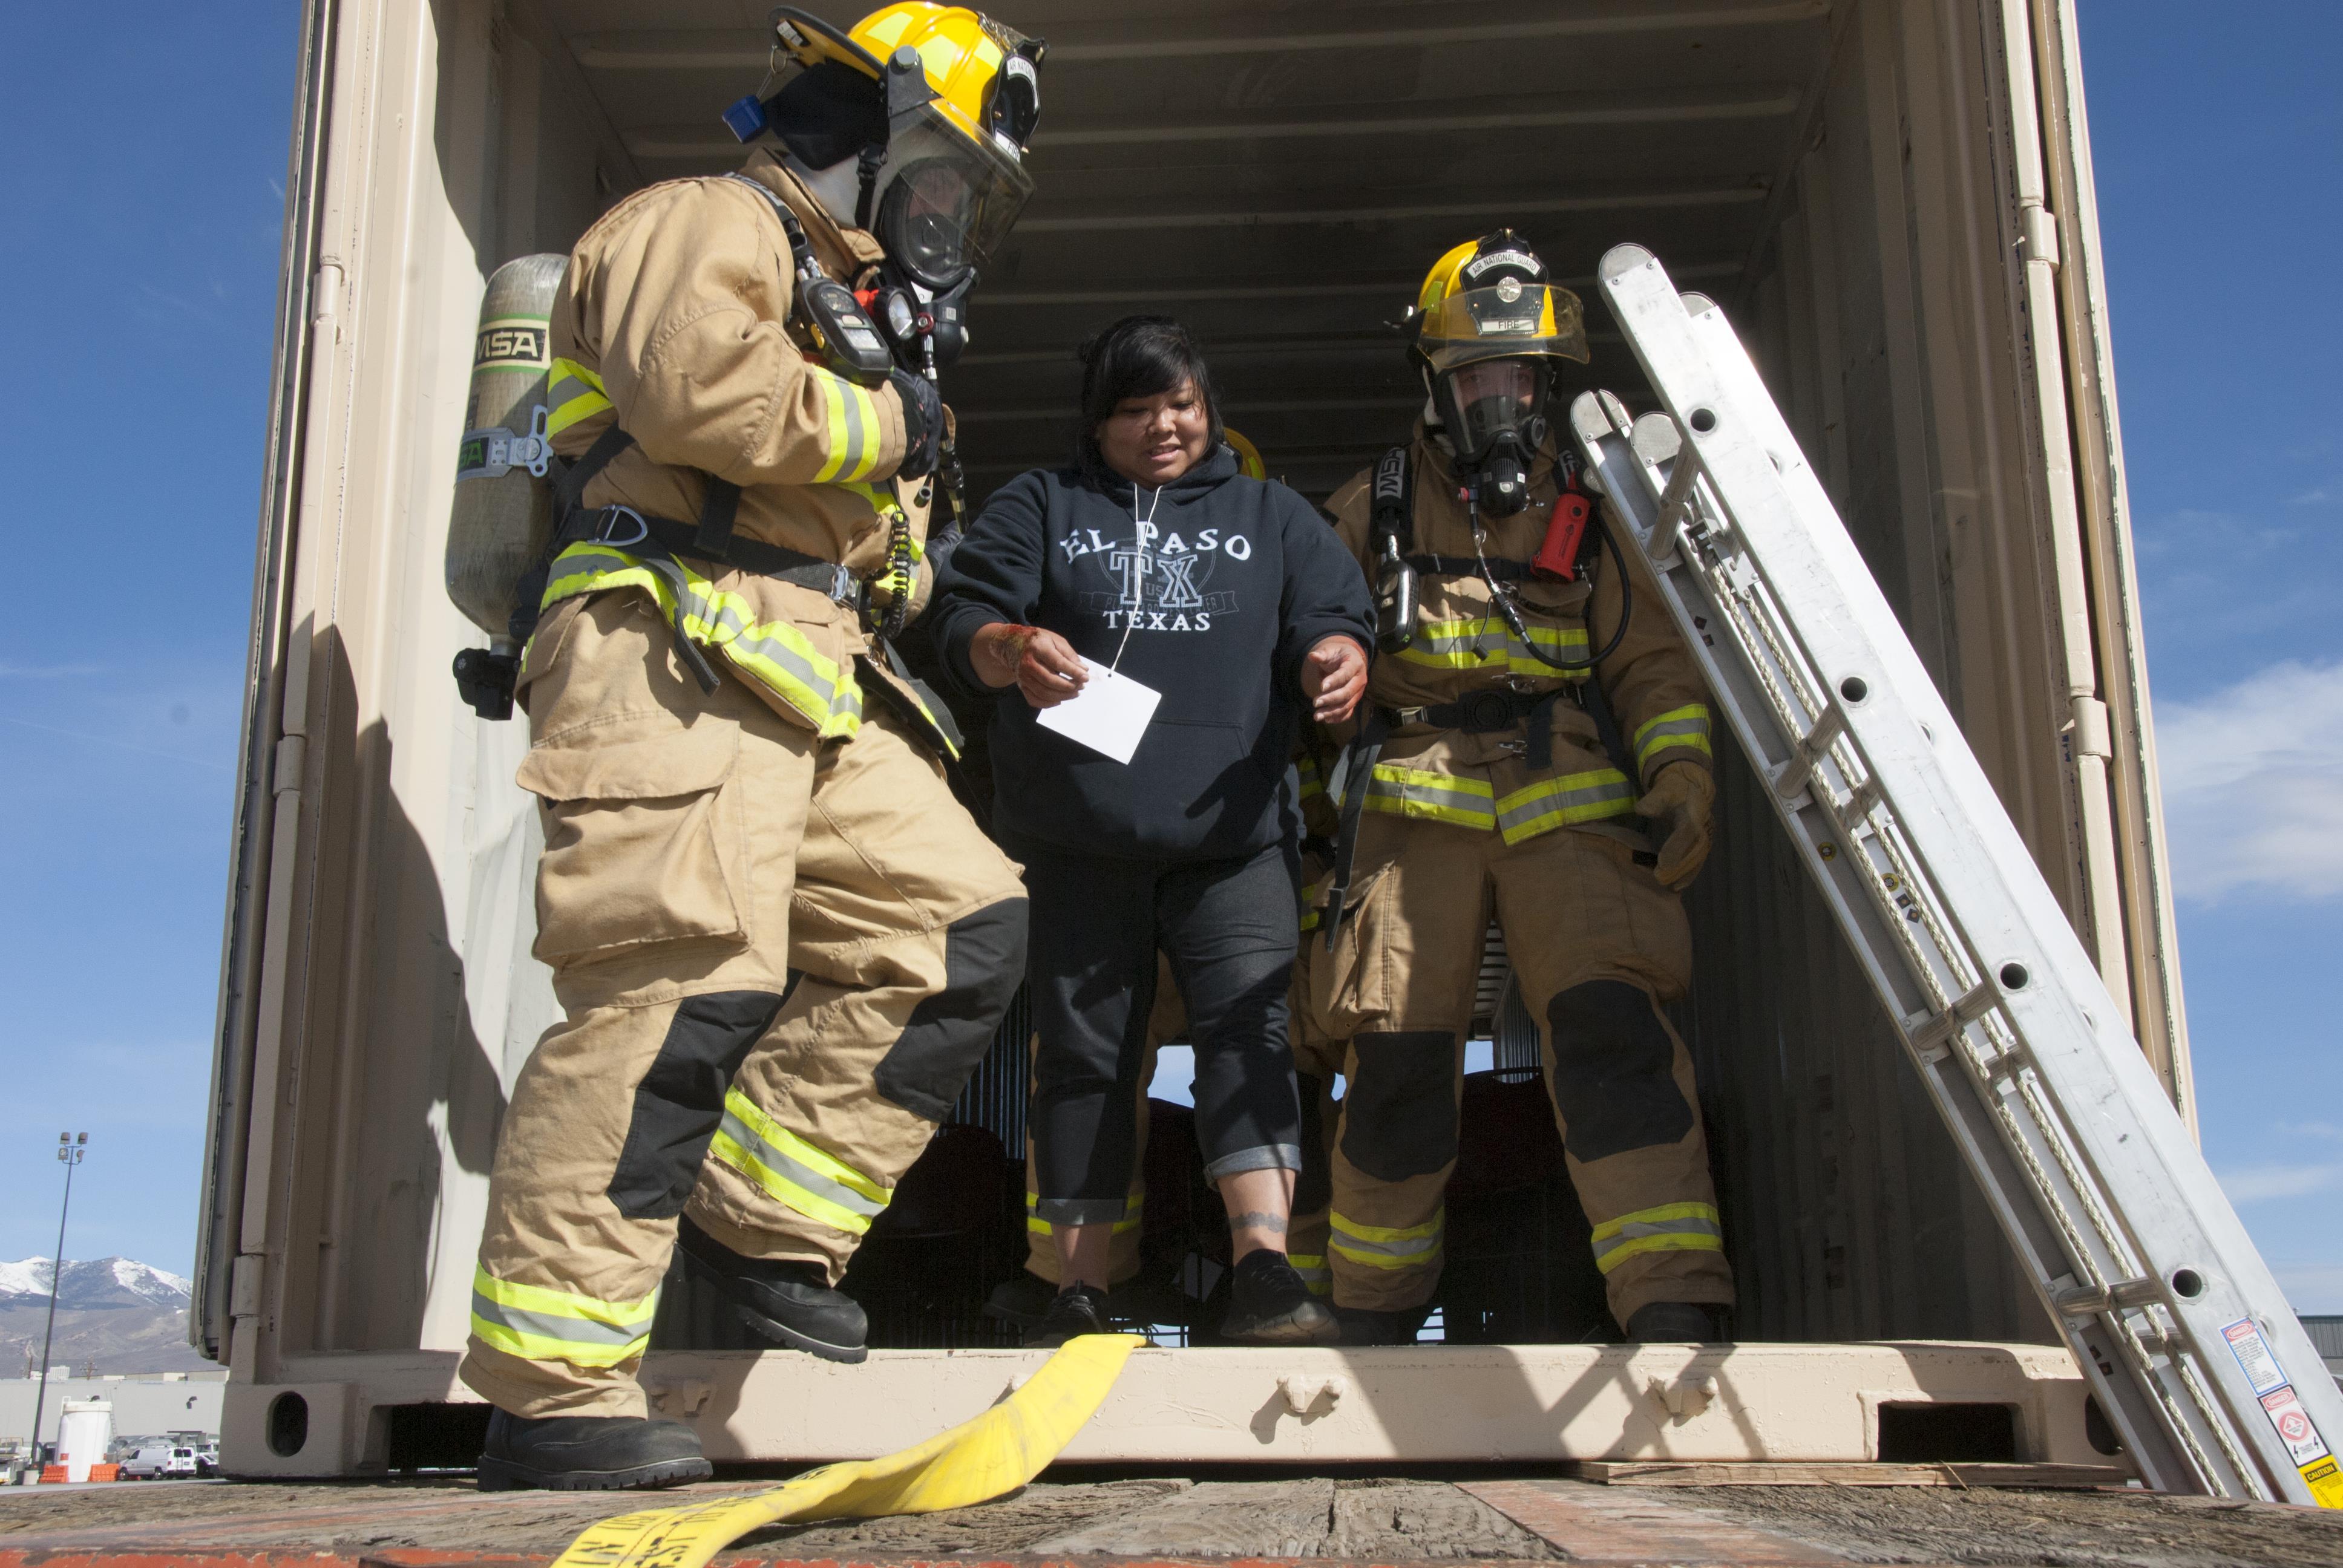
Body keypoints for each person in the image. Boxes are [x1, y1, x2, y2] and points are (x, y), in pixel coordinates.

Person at [460, 4, 1046, 1492]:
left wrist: (906, 499)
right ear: (862, 130)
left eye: (962, 197)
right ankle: (553, 1390)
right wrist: (887, 427)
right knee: (671, 997)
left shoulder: (851, 312)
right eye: (935, 177)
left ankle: (754, 1221)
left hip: (804, 674)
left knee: (960, 922)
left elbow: (880, 546)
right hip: (668, 649)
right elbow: (690, 390)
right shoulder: (703, 218)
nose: (942, 217)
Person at [1303, 231, 1735, 1347]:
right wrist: (1306, 835)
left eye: (1520, 378)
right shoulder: (1367, 511)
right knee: (1395, 1060)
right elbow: (1298, 665)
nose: (1501, 400)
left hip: (1572, 810)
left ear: (1548, 386)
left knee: (1613, 1039)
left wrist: (1681, 772)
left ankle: (1672, 1299)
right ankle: (1373, 1317)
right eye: (1477, 377)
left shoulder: (1599, 512)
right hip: (1410, 815)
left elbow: (1650, 665)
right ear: (1436, 382)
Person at [934, 316, 1374, 1346]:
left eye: (1179, 404)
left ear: (1209, 408)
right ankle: (1080, 1286)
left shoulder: (1274, 515)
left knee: (1253, 1042)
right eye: (1134, 411)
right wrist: (1004, 644)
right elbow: (963, 621)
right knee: (1083, 1056)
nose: (1162, 427)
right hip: (1080, 845)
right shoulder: (1044, 503)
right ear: (1098, 425)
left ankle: (1263, 1272)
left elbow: (1332, 612)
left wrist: (1336, 657)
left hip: (1234, 845)